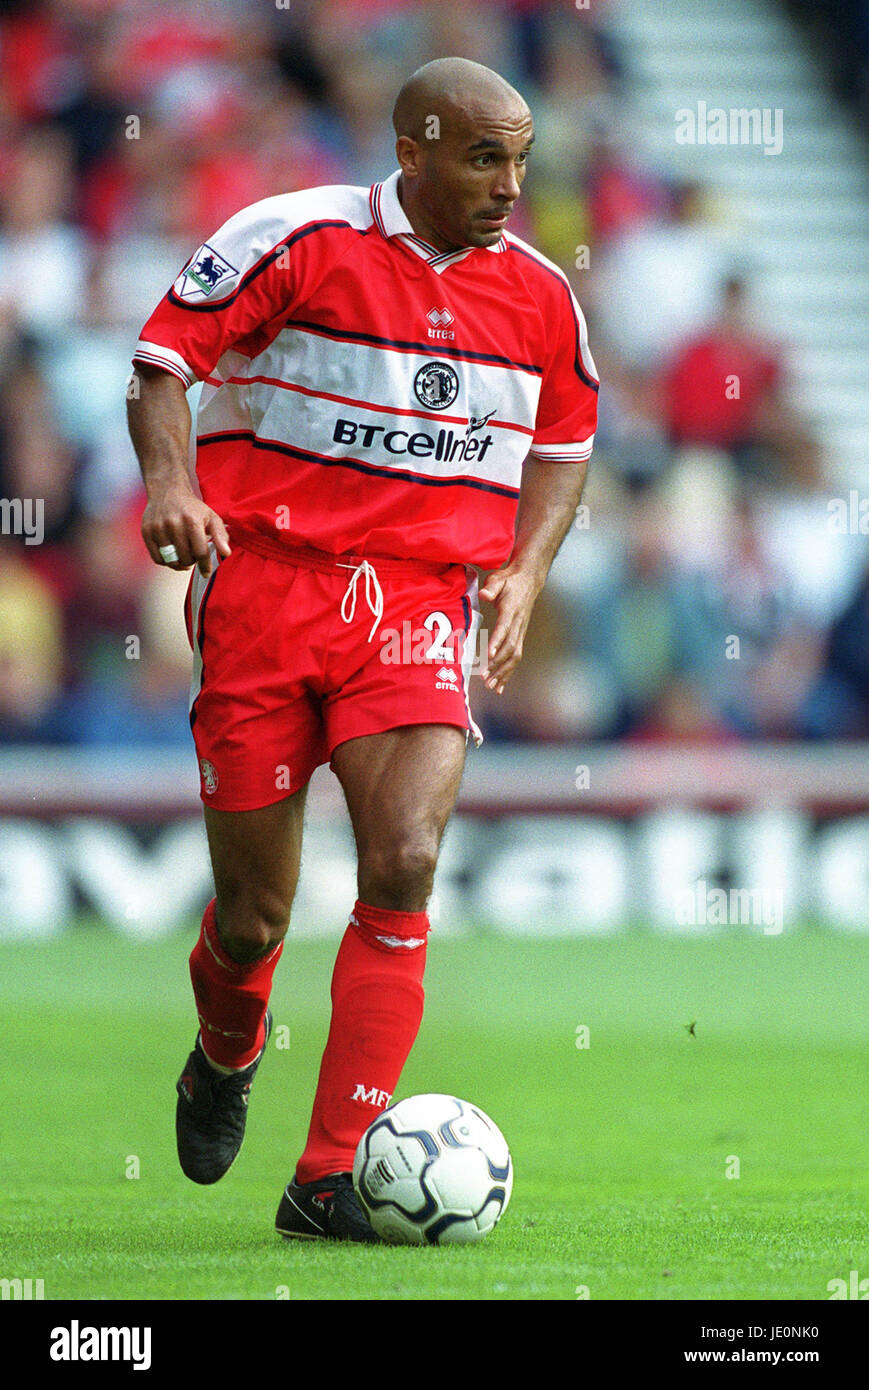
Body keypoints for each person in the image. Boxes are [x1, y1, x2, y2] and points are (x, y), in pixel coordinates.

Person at [126, 56, 598, 1243]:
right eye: (484, 157)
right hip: (268, 591)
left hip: (418, 606)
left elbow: (563, 446)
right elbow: (162, 366)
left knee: (403, 855)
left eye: (521, 158)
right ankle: (224, 1051)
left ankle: (329, 1173)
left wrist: (525, 571)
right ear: (413, 150)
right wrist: (174, 488)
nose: (509, 183)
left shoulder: (541, 298)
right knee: (253, 917)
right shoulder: (292, 239)